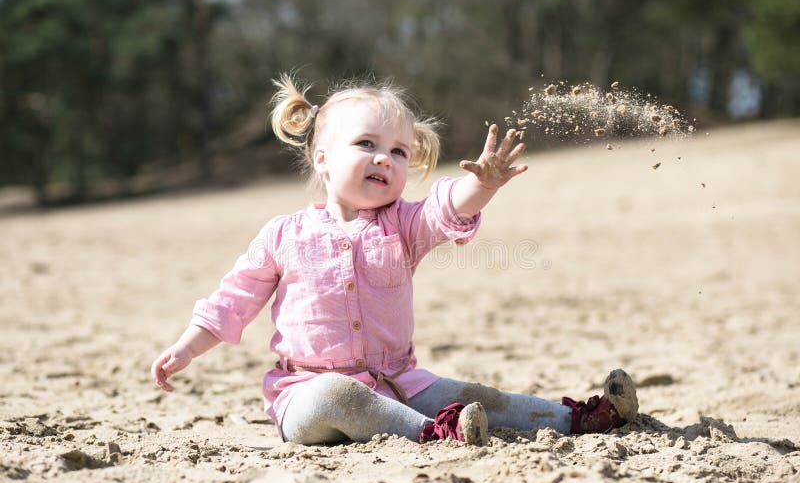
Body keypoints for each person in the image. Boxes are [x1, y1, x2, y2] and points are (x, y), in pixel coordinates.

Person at [151, 74, 638, 446]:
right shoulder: (283, 234)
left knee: (477, 396)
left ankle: (580, 418)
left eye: (399, 151)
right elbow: (232, 300)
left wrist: (482, 184)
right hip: (306, 392)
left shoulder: (402, 226)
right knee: (340, 396)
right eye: (367, 145)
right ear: (322, 157)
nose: (385, 158)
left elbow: (446, 209)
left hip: (400, 379)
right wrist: (187, 348)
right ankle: (433, 434)